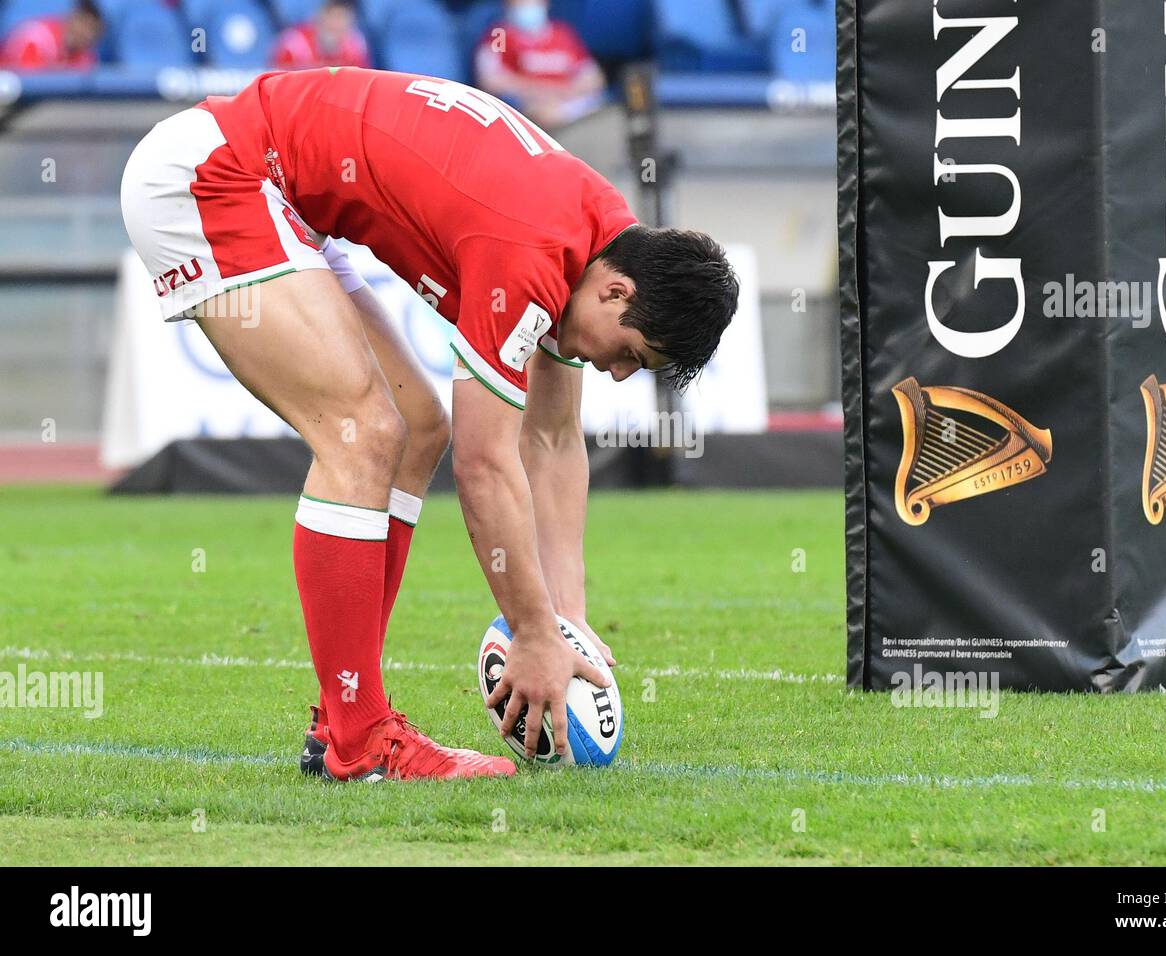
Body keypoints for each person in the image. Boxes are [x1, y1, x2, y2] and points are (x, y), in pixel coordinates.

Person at [120, 67, 738, 782]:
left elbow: (553, 438)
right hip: (212, 175)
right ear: (617, 290)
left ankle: (341, 725)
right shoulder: (531, 246)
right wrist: (532, 633)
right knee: (363, 431)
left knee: (417, 430)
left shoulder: (595, 237)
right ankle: (358, 739)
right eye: (631, 354)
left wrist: (565, 621)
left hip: (273, 192)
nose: (620, 374)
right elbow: (487, 464)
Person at [475, 0, 606, 129]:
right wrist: (538, 91)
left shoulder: (562, 33)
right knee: (545, 115)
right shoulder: (500, 34)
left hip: (569, 103)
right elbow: (490, 81)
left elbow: (594, 79)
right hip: (528, 106)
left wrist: (563, 92)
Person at [0, 0, 103, 72]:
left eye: (92, 30)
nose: (86, 34)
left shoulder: (84, 54)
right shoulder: (36, 38)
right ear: (72, 18)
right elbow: (28, 82)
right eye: (83, 25)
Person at [271, 0, 370, 71]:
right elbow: (278, 80)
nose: (337, 25)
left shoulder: (355, 44)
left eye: (343, 19)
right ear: (321, 16)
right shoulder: (294, 43)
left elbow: (360, 81)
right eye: (334, 17)